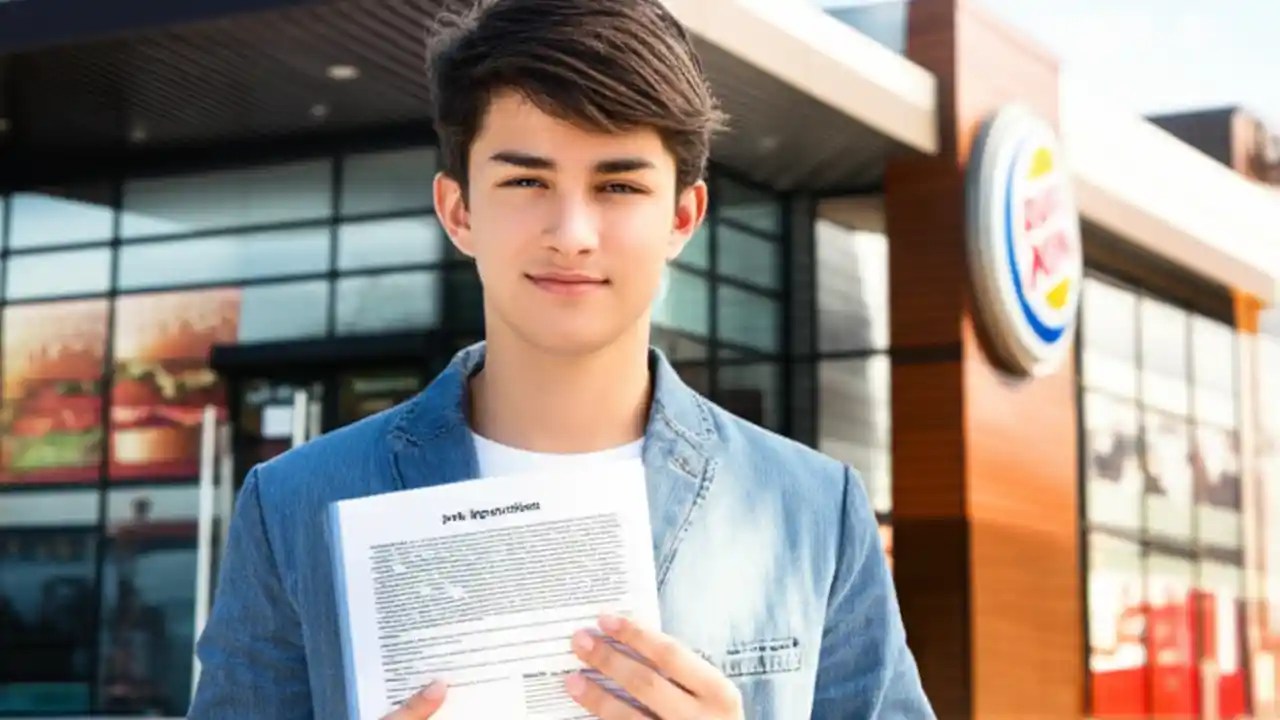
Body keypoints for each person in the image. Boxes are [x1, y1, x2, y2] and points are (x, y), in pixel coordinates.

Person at [188, 0, 934, 717]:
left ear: (682, 216)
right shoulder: (295, 505)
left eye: (618, 185)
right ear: (459, 211)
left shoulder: (812, 509)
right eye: (526, 181)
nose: (572, 233)